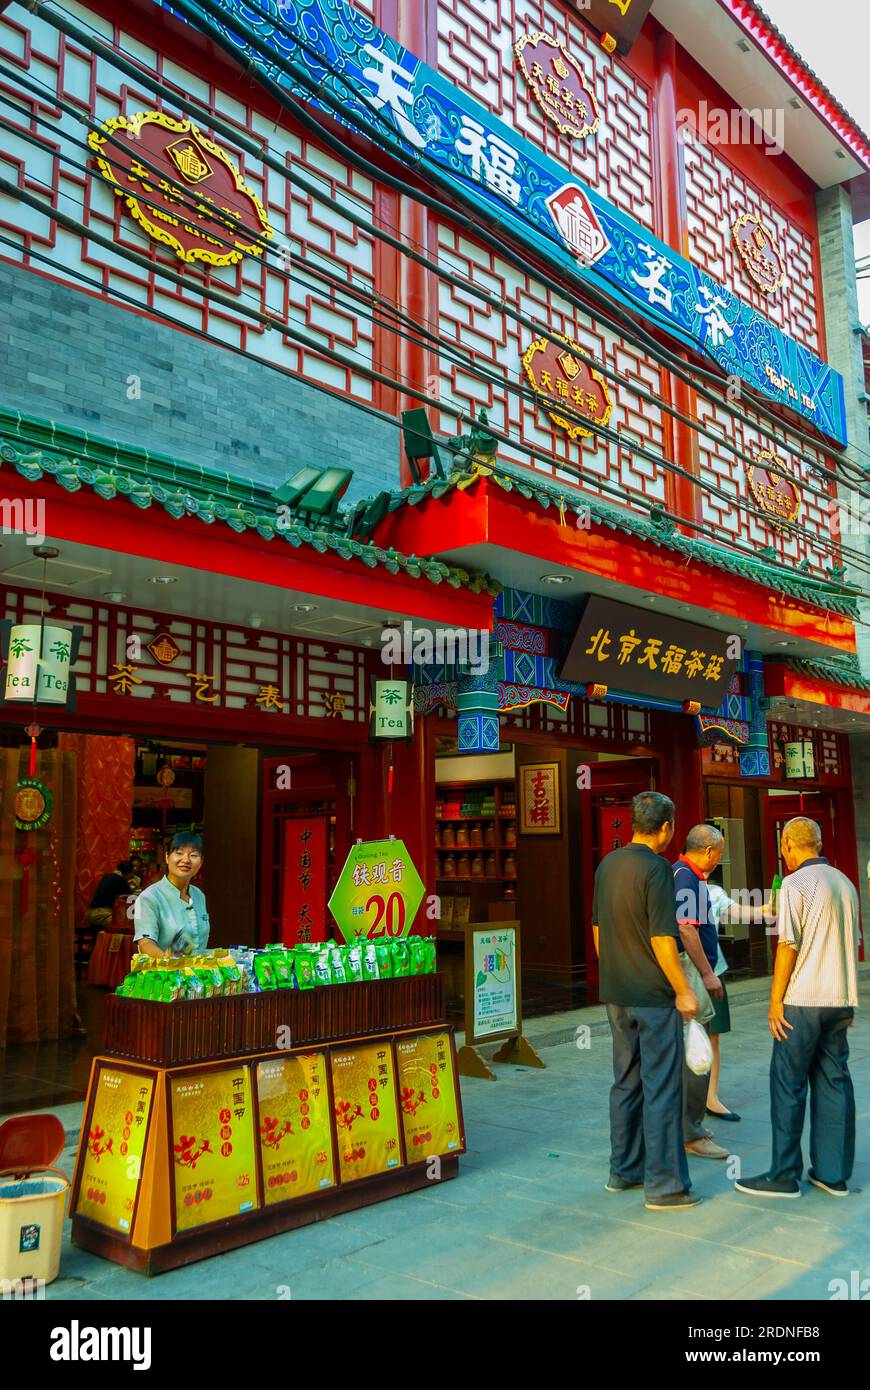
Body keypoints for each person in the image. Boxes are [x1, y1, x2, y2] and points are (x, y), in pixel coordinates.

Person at [735, 817, 860, 1199]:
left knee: (788, 1084)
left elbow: (787, 945)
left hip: (803, 1000)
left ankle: (784, 1174)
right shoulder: (845, 883)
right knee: (834, 1082)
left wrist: (775, 1002)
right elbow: (853, 942)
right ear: (818, 844)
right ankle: (832, 1174)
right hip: (839, 999)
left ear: (788, 845)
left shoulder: (793, 884)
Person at [592, 791, 701, 1211]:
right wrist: (682, 989)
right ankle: (666, 1184)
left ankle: (624, 1169)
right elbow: (662, 937)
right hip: (653, 997)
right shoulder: (658, 870)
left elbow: (599, 930)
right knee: (661, 1086)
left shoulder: (608, 864)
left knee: (626, 1081)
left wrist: (617, 970)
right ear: (667, 827)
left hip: (617, 993)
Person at [672, 826, 730, 1162]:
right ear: (709, 850)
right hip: (692, 971)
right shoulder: (687, 877)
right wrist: (707, 974)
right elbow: (685, 926)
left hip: (691, 968)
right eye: (719, 852)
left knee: (695, 1046)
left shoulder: (683, 873)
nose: (719, 858)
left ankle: (687, 1126)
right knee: (698, 1050)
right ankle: (691, 1131)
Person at [706, 879, 771, 1121]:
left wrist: (765, 910)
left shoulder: (713, 891)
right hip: (684, 973)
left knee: (713, 1035)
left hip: (715, 970)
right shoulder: (673, 883)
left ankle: (710, 1097)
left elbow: (737, 911)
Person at [133, 831, 210, 958]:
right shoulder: (149, 897)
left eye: (193, 855)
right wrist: (166, 960)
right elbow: (145, 942)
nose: (186, 860)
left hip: (198, 975)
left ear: (201, 863)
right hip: (165, 974)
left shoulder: (199, 896)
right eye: (179, 853)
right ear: (167, 857)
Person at [86, 860, 134, 930]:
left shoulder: (107, 876)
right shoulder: (122, 879)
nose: (132, 876)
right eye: (132, 873)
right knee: (125, 924)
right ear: (128, 873)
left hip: (90, 914)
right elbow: (131, 896)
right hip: (102, 914)